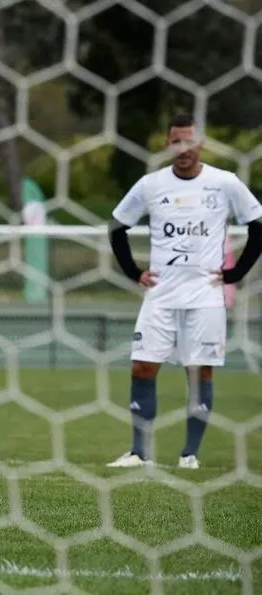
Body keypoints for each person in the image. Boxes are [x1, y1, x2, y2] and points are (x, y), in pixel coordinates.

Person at [107, 114, 262, 470]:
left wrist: (236, 273)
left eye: (189, 141)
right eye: (176, 141)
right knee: (142, 367)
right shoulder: (151, 185)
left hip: (205, 295)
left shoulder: (225, 183)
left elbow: (258, 226)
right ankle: (139, 452)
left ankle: (189, 455)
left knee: (200, 372)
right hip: (160, 296)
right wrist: (133, 271)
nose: (183, 149)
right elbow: (116, 226)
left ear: (201, 143)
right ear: (167, 144)